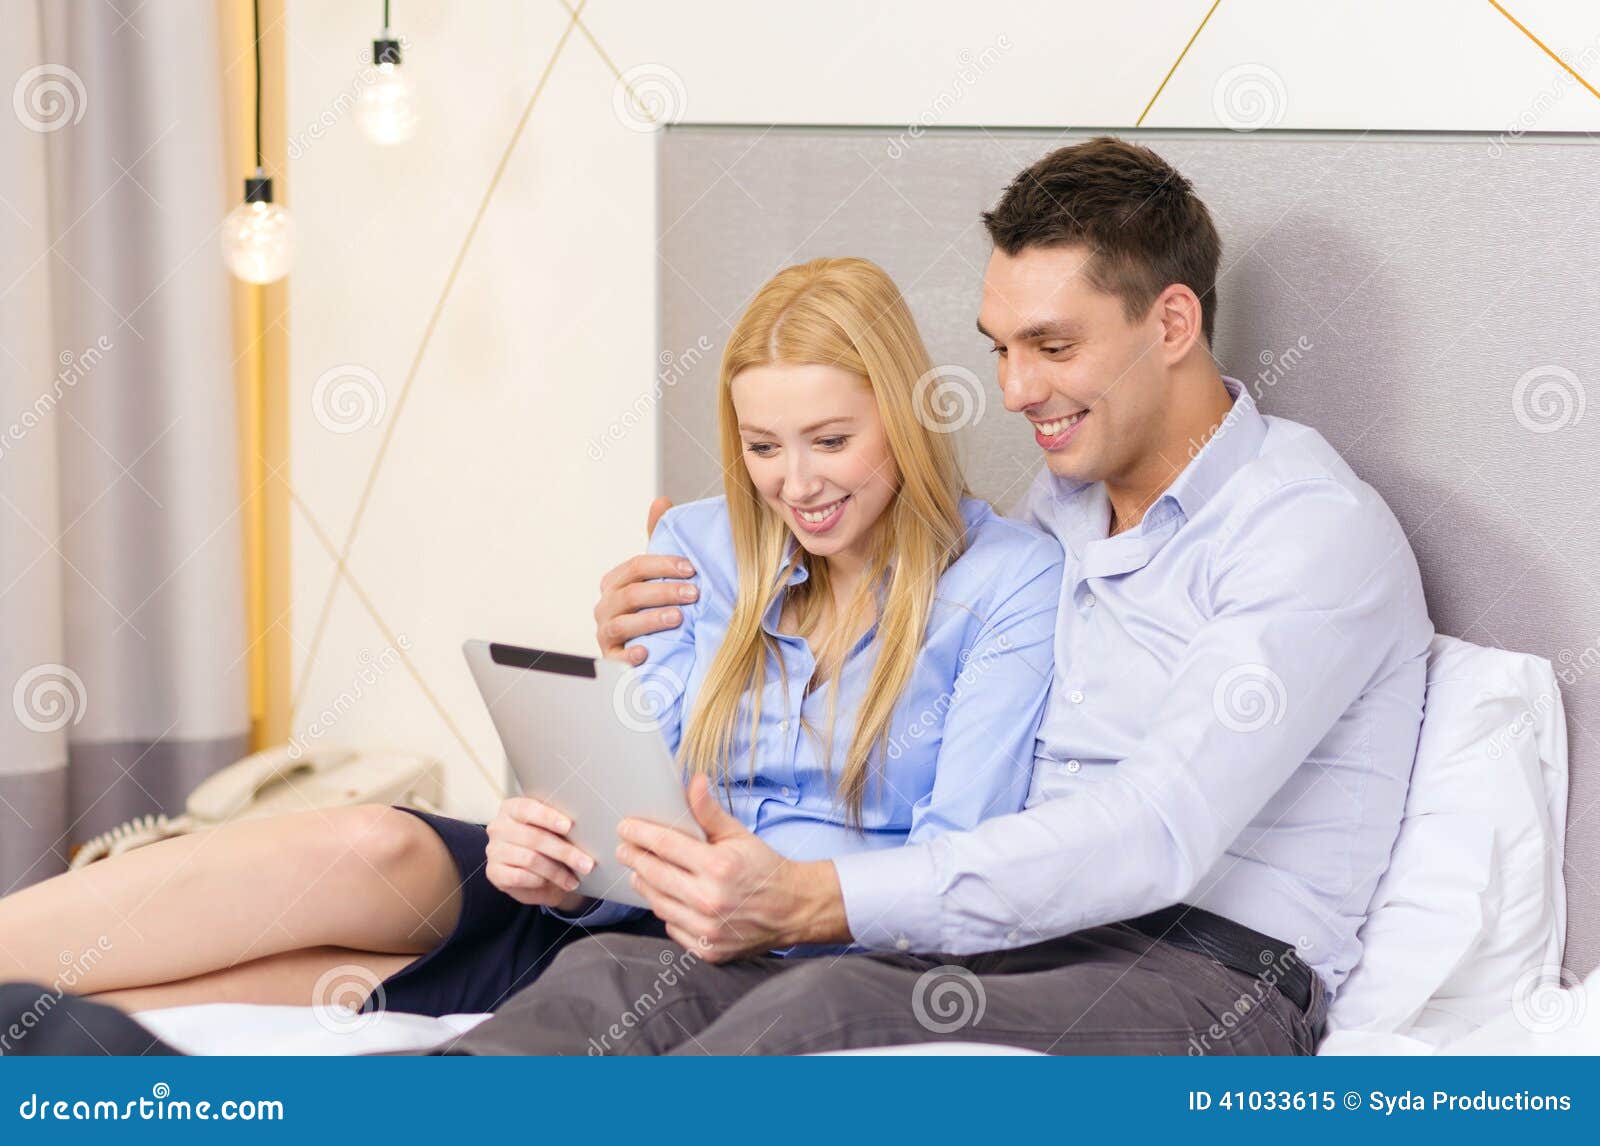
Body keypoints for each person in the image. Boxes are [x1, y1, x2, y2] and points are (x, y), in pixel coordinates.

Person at [434, 135, 1434, 1056]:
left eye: (1052, 347)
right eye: (1000, 347)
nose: (1014, 390)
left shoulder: (1305, 533)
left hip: (1201, 973)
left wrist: (818, 898)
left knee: (821, 1013)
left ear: (1172, 322)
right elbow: (904, 607)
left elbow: (1159, 831)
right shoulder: (1059, 514)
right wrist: (671, 616)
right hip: (1007, 938)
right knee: (611, 978)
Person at [0, 257, 1062, 1025]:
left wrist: (769, 892)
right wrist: (551, 852)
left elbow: (953, 867)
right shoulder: (700, 546)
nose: (795, 484)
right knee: (369, 841)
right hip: (608, 903)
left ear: (905, 418)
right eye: (761, 447)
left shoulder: (1005, 581)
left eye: (831, 440)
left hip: (759, 944)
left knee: (172, 1007)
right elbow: (633, 774)